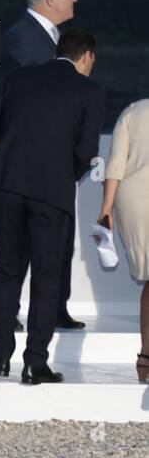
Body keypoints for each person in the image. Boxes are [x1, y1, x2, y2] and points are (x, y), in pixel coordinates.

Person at [0, 29, 103, 384]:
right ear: (86, 57)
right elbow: (85, 151)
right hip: (51, 191)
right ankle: (35, 363)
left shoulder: (19, 79)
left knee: (6, 271)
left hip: (5, 184)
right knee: (46, 277)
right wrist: (62, 174)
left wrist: (17, 152)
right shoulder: (88, 91)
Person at [0, 0, 85, 331]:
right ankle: (11, 313)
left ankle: (55, 307)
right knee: (21, 243)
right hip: (31, 162)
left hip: (55, 161)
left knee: (59, 238)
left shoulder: (51, 38)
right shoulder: (22, 40)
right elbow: (25, 101)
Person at [98, 98, 149, 381]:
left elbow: (115, 165)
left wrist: (106, 210)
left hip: (135, 200)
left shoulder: (133, 111)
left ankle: (146, 357)